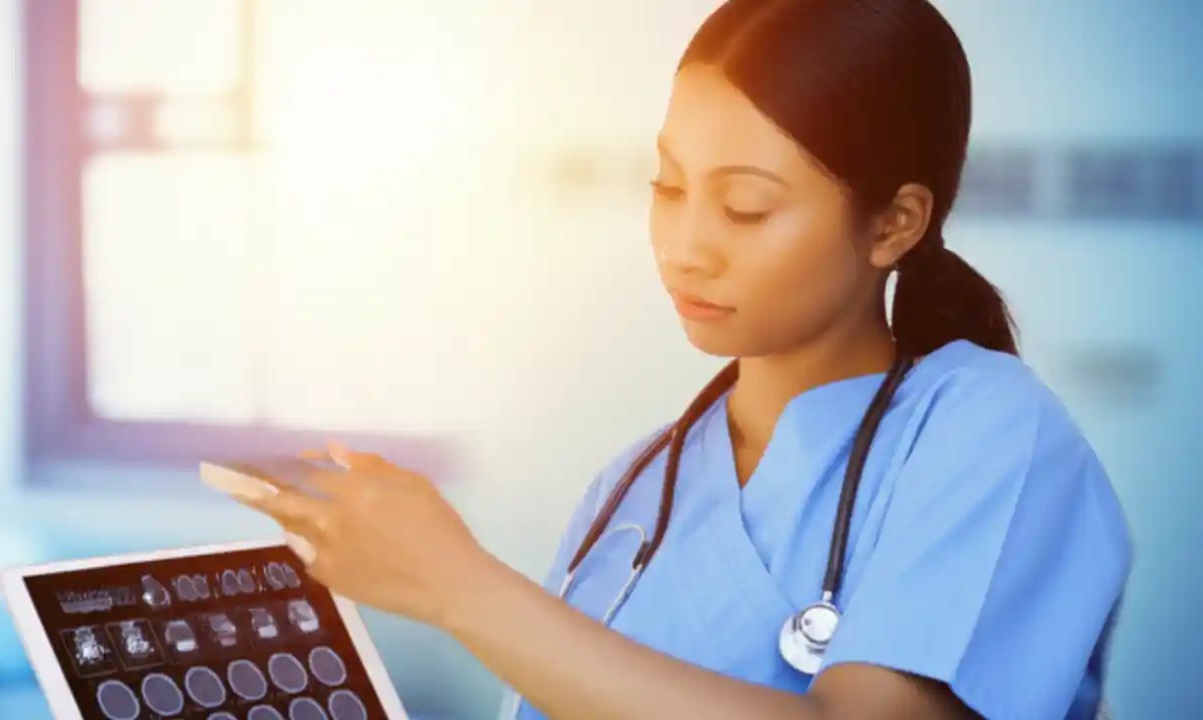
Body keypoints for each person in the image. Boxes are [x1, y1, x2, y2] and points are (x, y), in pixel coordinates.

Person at [242, 0, 1132, 717]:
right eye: (668, 187)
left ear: (894, 223)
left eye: (744, 207)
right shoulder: (631, 492)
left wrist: (460, 588)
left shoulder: (989, 432)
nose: (685, 247)